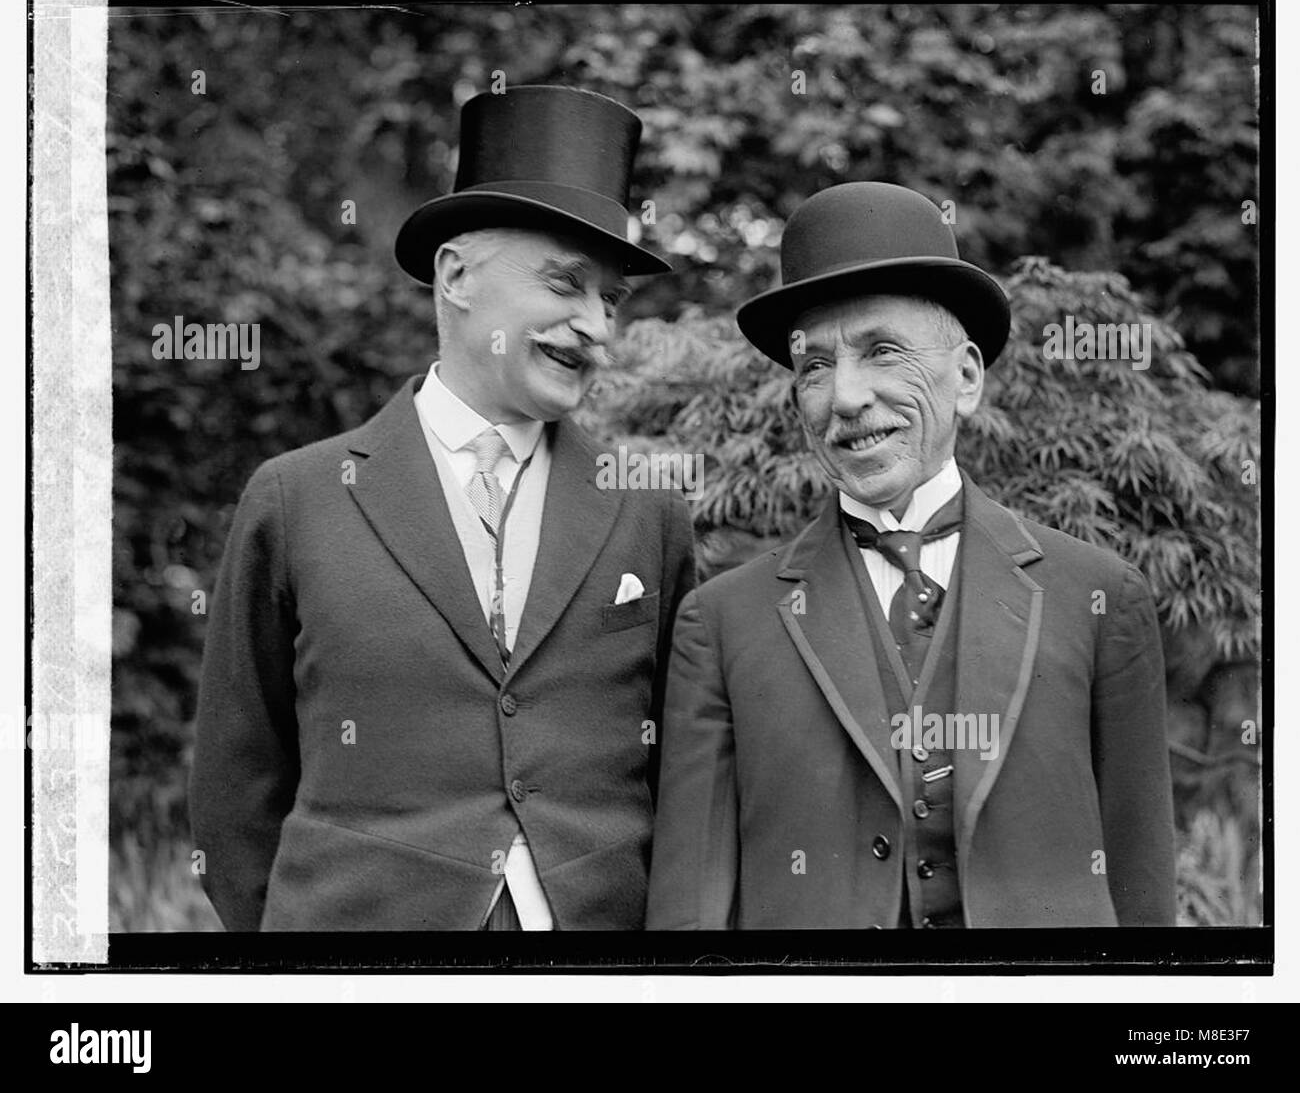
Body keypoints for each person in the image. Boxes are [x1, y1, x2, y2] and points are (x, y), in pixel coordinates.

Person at [191, 85, 695, 931]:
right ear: (455, 276)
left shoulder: (647, 508)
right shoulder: (297, 497)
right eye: (567, 285)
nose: (596, 326)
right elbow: (235, 788)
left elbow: (683, 768)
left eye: (612, 300)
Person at [646, 181, 1176, 929]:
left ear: (965, 378)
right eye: (815, 367)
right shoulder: (722, 623)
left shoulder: (1100, 598)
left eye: (881, 352)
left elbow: (1141, 884)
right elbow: (689, 918)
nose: (847, 397)